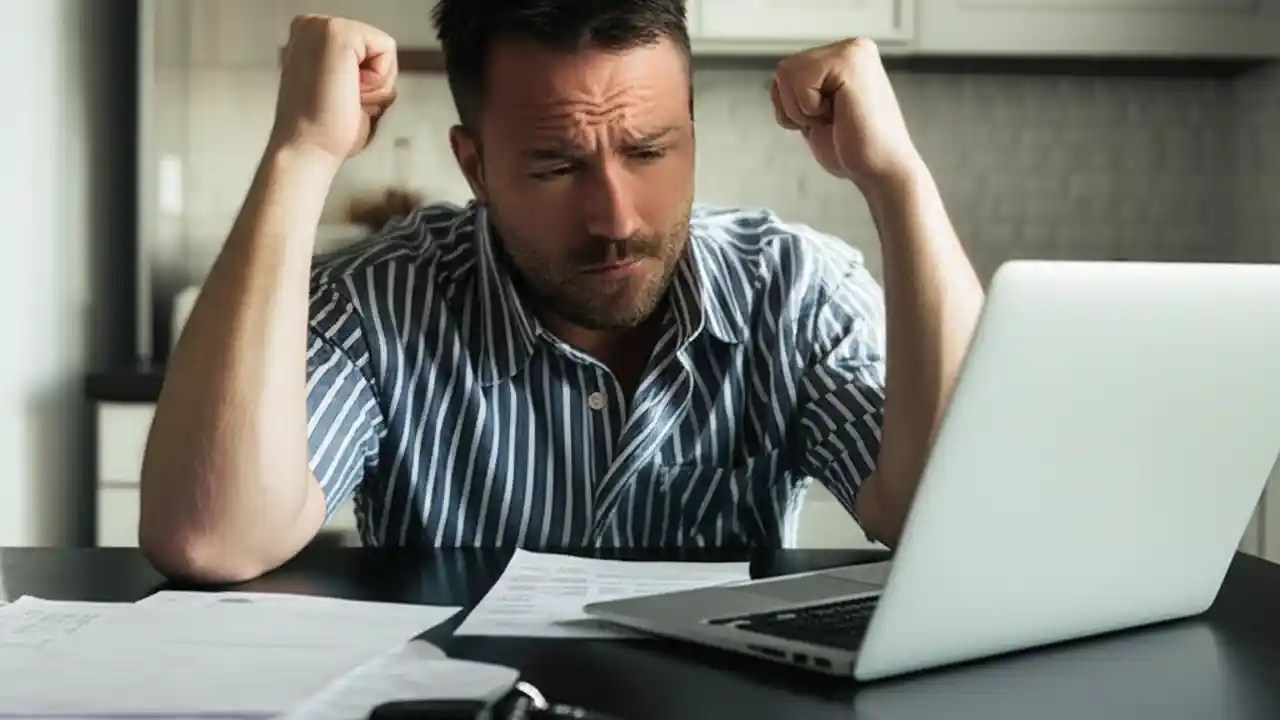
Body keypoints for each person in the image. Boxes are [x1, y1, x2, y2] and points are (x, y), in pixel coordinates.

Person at [139, 0, 984, 583]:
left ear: (692, 131)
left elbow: (948, 515)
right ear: (474, 166)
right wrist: (301, 155)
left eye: (650, 152)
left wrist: (896, 180)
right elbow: (213, 538)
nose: (615, 218)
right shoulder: (382, 300)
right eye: (554, 166)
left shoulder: (792, 289)